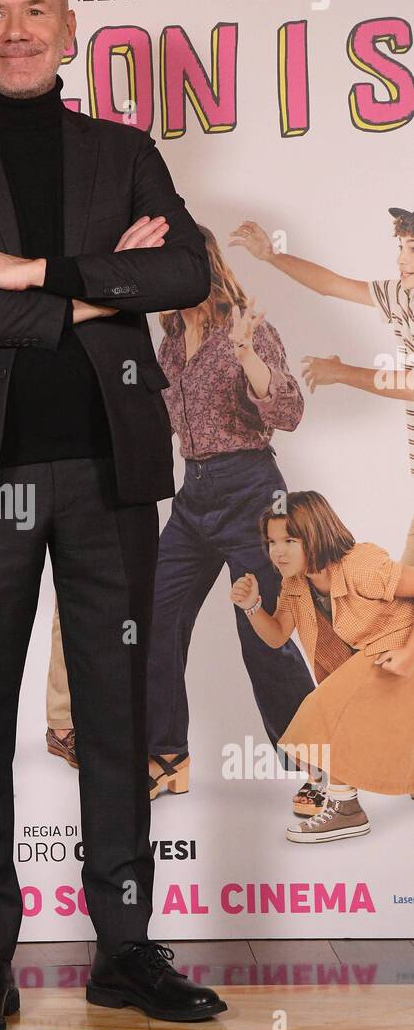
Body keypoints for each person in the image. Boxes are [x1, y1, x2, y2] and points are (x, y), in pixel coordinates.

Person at [0, 0, 226, 1030]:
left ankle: (125, 951)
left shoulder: (124, 151)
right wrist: (95, 293)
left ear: (69, 30)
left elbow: (182, 274)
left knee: (116, 713)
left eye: (35, 12)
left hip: (108, 472)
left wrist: (36, 275)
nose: (16, 30)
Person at [46, 224, 318, 813]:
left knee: (263, 634)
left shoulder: (245, 325)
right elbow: (161, 419)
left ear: (199, 265)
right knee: (153, 620)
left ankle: (316, 768)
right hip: (194, 497)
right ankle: (167, 757)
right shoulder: (169, 338)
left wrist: (248, 355)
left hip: (252, 493)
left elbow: (289, 411)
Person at [230, 207, 414, 564]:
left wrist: (342, 373)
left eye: (413, 248)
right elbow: (333, 285)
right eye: (402, 246)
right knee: (405, 591)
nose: (402, 259)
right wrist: (272, 255)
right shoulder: (402, 295)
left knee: (405, 588)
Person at [231, 490, 414, 841]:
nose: (278, 551)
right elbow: (276, 637)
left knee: (323, 711)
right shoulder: (296, 584)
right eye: (271, 542)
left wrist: (409, 653)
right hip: (380, 658)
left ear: (315, 534)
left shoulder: (361, 565)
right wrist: (253, 605)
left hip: (399, 648)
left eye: (289, 539)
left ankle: (347, 810)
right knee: (342, 717)